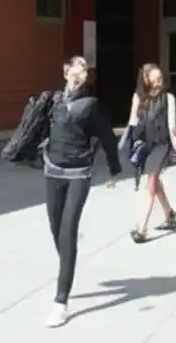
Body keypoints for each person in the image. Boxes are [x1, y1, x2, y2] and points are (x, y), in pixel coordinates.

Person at [42, 56, 121, 328]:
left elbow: (108, 136)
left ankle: (60, 301)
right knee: (56, 230)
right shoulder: (54, 102)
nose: (82, 72)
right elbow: (39, 128)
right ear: (65, 72)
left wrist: (114, 168)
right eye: (78, 66)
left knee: (67, 232)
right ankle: (68, 262)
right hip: (52, 171)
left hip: (79, 174)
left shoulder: (90, 106)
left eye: (85, 69)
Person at [127, 64, 176, 243]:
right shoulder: (138, 98)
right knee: (155, 181)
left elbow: (172, 126)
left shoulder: (169, 98)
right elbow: (132, 123)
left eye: (161, 80)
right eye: (155, 80)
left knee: (151, 181)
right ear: (146, 80)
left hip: (162, 145)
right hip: (145, 145)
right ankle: (169, 214)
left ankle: (142, 227)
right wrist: (129, 144)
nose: (159, 83)